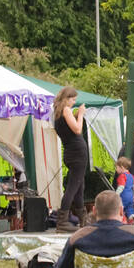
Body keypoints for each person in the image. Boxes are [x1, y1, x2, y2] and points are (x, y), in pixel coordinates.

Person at [51, 86, 89, 229]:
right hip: (77, 153)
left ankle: (83, 219)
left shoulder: (57, 114)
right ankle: (62, 221)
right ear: (66, 99)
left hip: (70, 152)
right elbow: (78, 129)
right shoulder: (66, 111)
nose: (74, 102)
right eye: (73, 99)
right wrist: (80, 114)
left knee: (79, 186)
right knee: (73, 187)